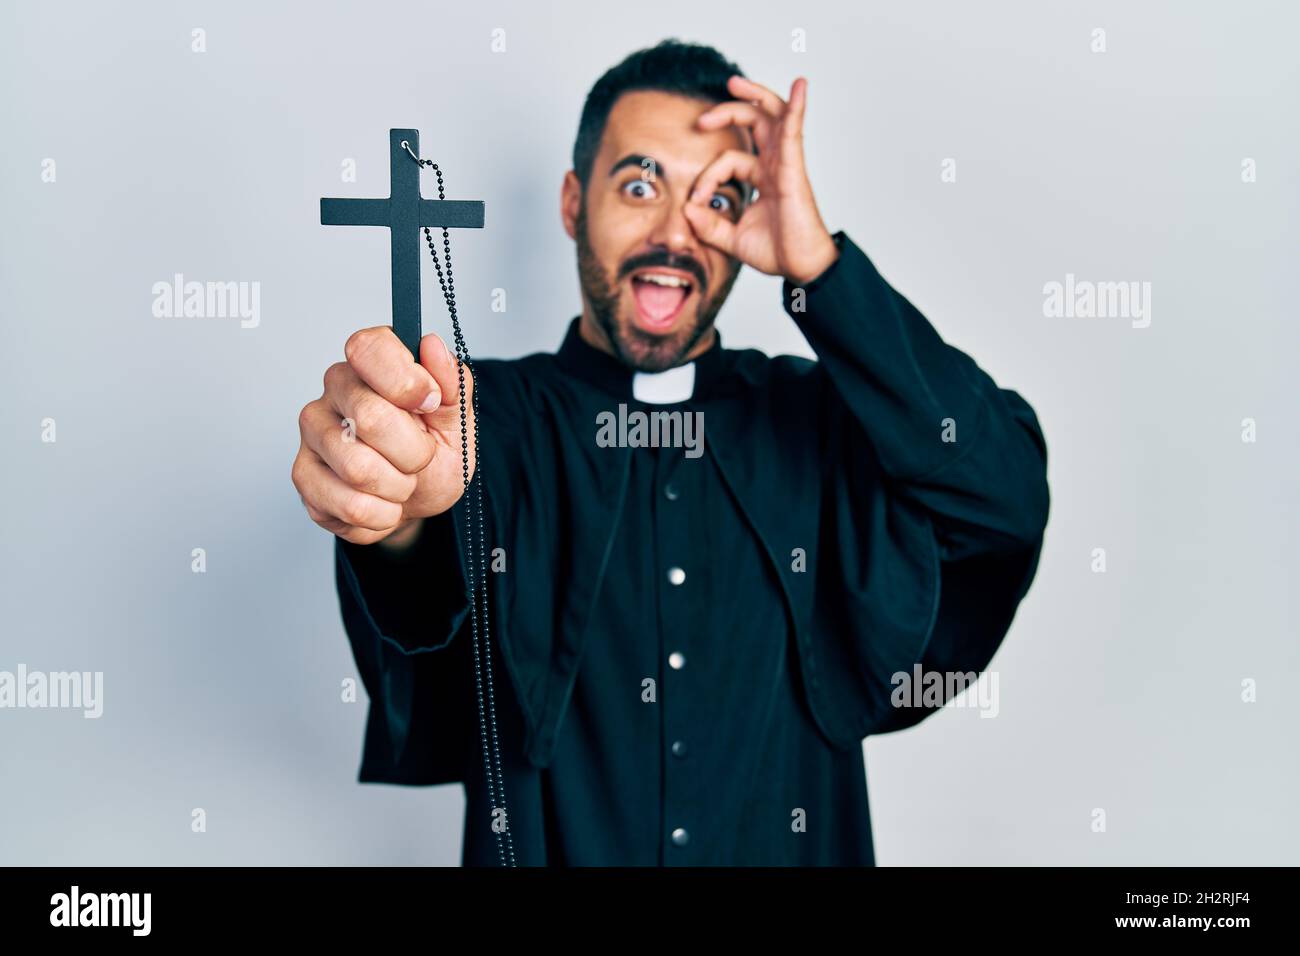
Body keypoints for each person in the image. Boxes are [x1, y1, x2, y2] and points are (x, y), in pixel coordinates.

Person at [291, 39, 1050, 866]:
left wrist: (819, 268)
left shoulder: (824, 423)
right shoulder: (480, 419)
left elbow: (1001, 496)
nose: (675, 233)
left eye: (718, 197)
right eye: (641, 185)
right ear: (574, 203)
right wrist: (400, 521)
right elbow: (426, 588)